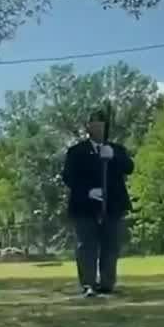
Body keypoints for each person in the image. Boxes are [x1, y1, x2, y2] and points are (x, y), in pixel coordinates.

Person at [60, 108, 134, 298]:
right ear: (88, 127)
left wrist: (114, 156)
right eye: (94, 125)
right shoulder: (76, 151)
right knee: (86, 246)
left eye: (102, 125)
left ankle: (107, 283)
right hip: (85, 206)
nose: (98, 128)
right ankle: (88, 284)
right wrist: (87, 191)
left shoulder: (117, 149)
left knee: (111, 246)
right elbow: (68, 177)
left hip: (112, 206)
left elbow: (129, 168)